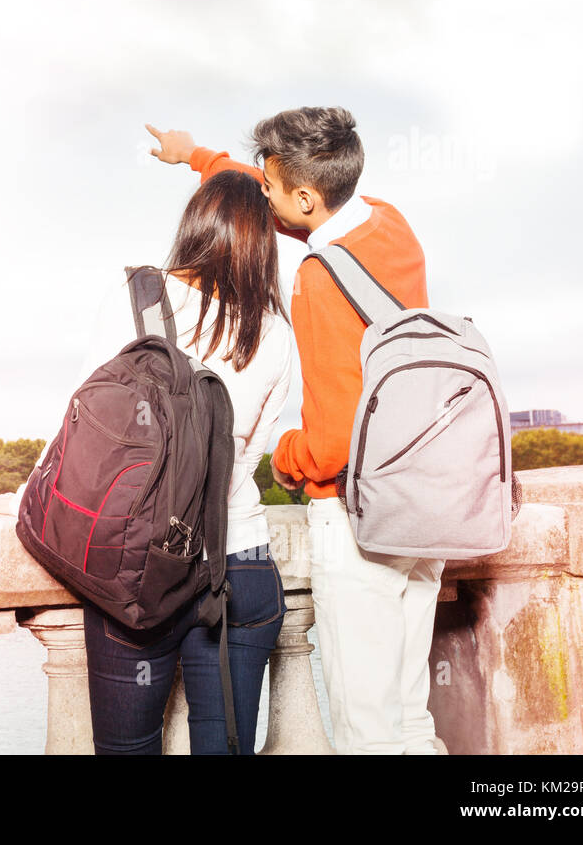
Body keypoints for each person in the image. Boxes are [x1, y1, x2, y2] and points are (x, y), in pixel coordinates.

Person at [146, 107, 445, 755]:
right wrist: (197, 157)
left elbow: (334, 439)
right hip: (428, 507)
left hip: (360, 516)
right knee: (411, 715)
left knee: (366, 729)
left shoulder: (320, 278)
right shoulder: (393, 226)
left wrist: (286, 458)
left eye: (271, 184)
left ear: (304, 196)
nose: (265, 196)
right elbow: (273, 196)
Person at [24, 170, 292, 755]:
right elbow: (252, 453)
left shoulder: (137, 298)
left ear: (195, 224)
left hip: (143, 572)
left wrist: (28, 493)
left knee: (128, 749)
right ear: (262, 245)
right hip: (239, 565)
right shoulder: (273, 332)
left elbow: (84, 423)